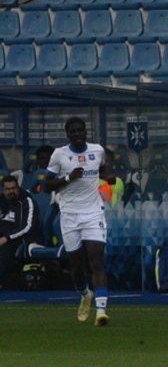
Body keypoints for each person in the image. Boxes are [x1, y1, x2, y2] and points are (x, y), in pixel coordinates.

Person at [43, 118, 114, 326]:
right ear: (68, 135)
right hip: (70, 214)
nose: (77, 134)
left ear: (85, 131)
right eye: (73, 131)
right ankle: (85, 294)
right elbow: (47, 185)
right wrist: (67, 179)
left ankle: (101, 311)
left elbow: (101, 169)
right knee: (76, 266)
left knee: (97, 259)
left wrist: (107, 177)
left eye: (80, 130)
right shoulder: (60, 155)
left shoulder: (97, 150)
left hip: (93, 213)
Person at [0, 174, 40, 287]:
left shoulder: (27, 201)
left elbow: (28, 226)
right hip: (3, 235)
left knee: (4, 249)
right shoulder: (2, 202)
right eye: (8, 189)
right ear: (3, 190)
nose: (11, 191)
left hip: (19, 238)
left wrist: (6, 238)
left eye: (13, 188)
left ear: (18, 188)